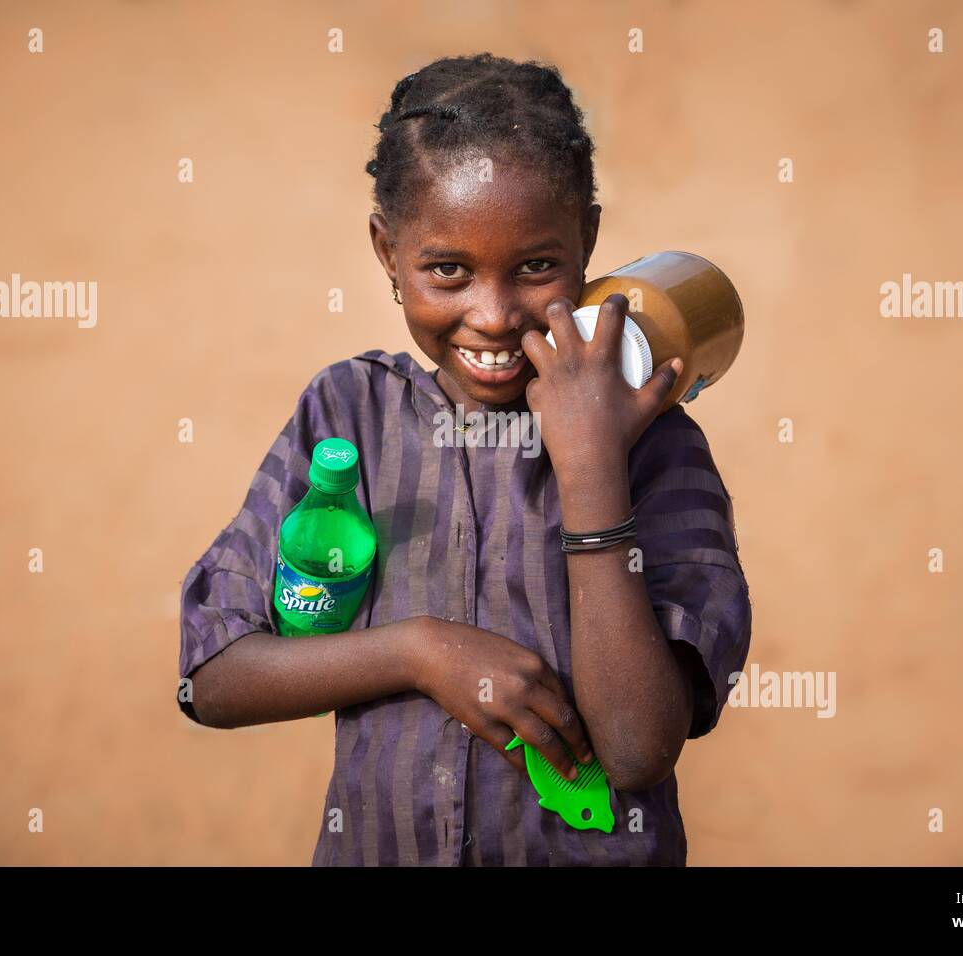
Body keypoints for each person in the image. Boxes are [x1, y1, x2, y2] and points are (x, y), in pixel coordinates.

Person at [177, 52, 753, 866]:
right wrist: (421, 651)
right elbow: (212, 677)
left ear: (588, 237)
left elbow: (635, 748)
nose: (492, 314)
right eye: (447, 270)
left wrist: (590, 467)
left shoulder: (654, 440)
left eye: (535, 267)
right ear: (387, 251)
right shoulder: (351, 417)